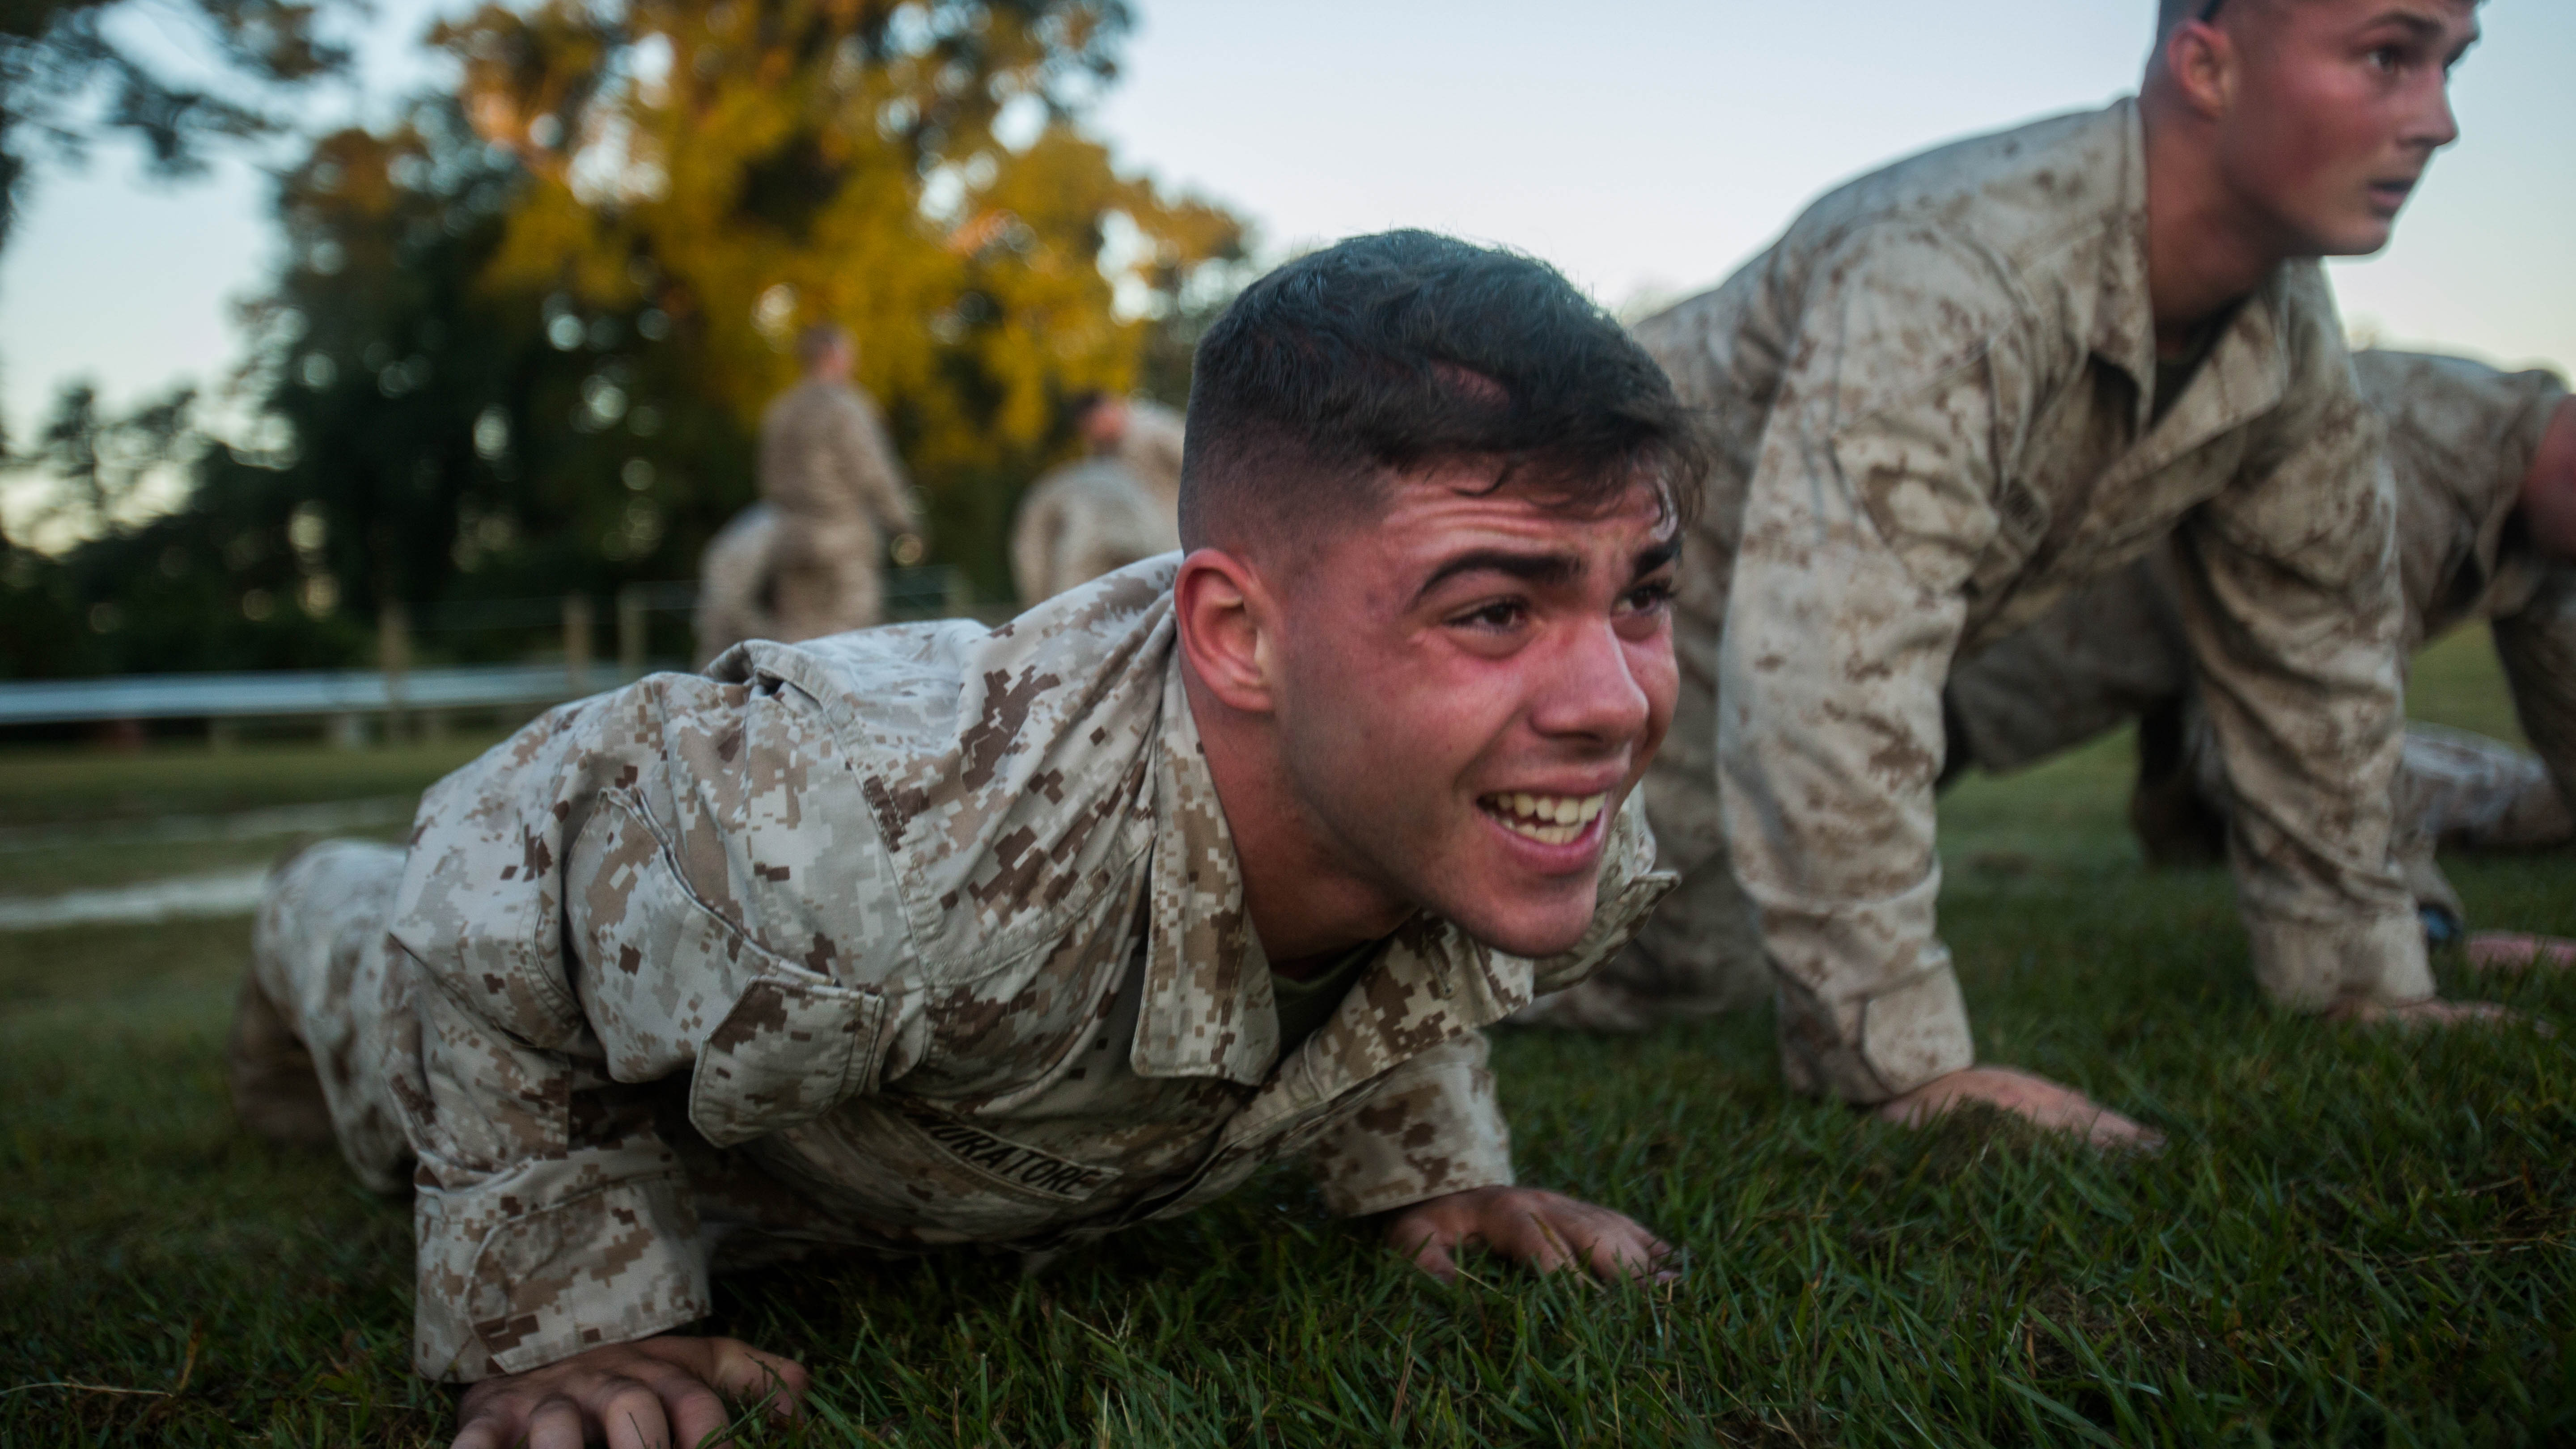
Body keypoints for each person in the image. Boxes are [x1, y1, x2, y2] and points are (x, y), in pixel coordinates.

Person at [228, 230, 1704, 1447]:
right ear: (1240, 636)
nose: (1611, 702)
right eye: (1495, 610)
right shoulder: (878, 841)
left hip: (926, 1125)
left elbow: (1392, 915)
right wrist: (562, 1318)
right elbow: (497, 853)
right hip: (618, 1069)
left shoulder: (1527, 810)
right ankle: (301, 904)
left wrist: (1432, 1172)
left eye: (1638, 594)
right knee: (361, 927)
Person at [1528, 0, 2501, 1146]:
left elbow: (2317, 652)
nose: (2436, 120)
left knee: (1687, 955)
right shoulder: (1955, 269)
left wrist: (2357, 974)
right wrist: (1895, 1059)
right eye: (2386, 56)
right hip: (1576, 636)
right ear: (2206, 64)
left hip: (1726, 657)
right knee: (1607, 965)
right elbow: (1831, 664)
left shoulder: (2280, 337)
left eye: (2447, 65)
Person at [1943, 349, 2576, 945]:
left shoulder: (2540, 501)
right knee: (1900, 743)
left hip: (2194, 649)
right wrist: (2418, 926)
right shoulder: (2401, 466)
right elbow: (2315, 716)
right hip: (2063, 605)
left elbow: (2564, 688)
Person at [756, 322, 925, 640]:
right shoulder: (847, 407)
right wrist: (905, 524)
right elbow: (874, 472)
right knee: (850, 644)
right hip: (844, 539)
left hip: (791, 537)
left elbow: (768, 476)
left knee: (796, 642)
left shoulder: (780, 411)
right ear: (833, 355)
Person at [1009, 455, 1179, 605]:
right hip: (1145, 530)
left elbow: (1039, 581)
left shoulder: (1041, 509)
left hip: (1104, 530)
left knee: (1071, 609)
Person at [690, 502, 782, 667]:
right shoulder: (775, 523)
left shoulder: (769, 518)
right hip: (728, 613)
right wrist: (777, 637)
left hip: (729, 605)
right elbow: (731, 601)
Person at [1072, 391, 1189, 517]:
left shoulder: (1155, 430)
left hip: (1183, 521)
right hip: (1147, 530)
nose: (1094, 433)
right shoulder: (1100, 456)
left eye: (1094, 423)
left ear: (1107, 410)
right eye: (1087, 430)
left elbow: (1197, 465)